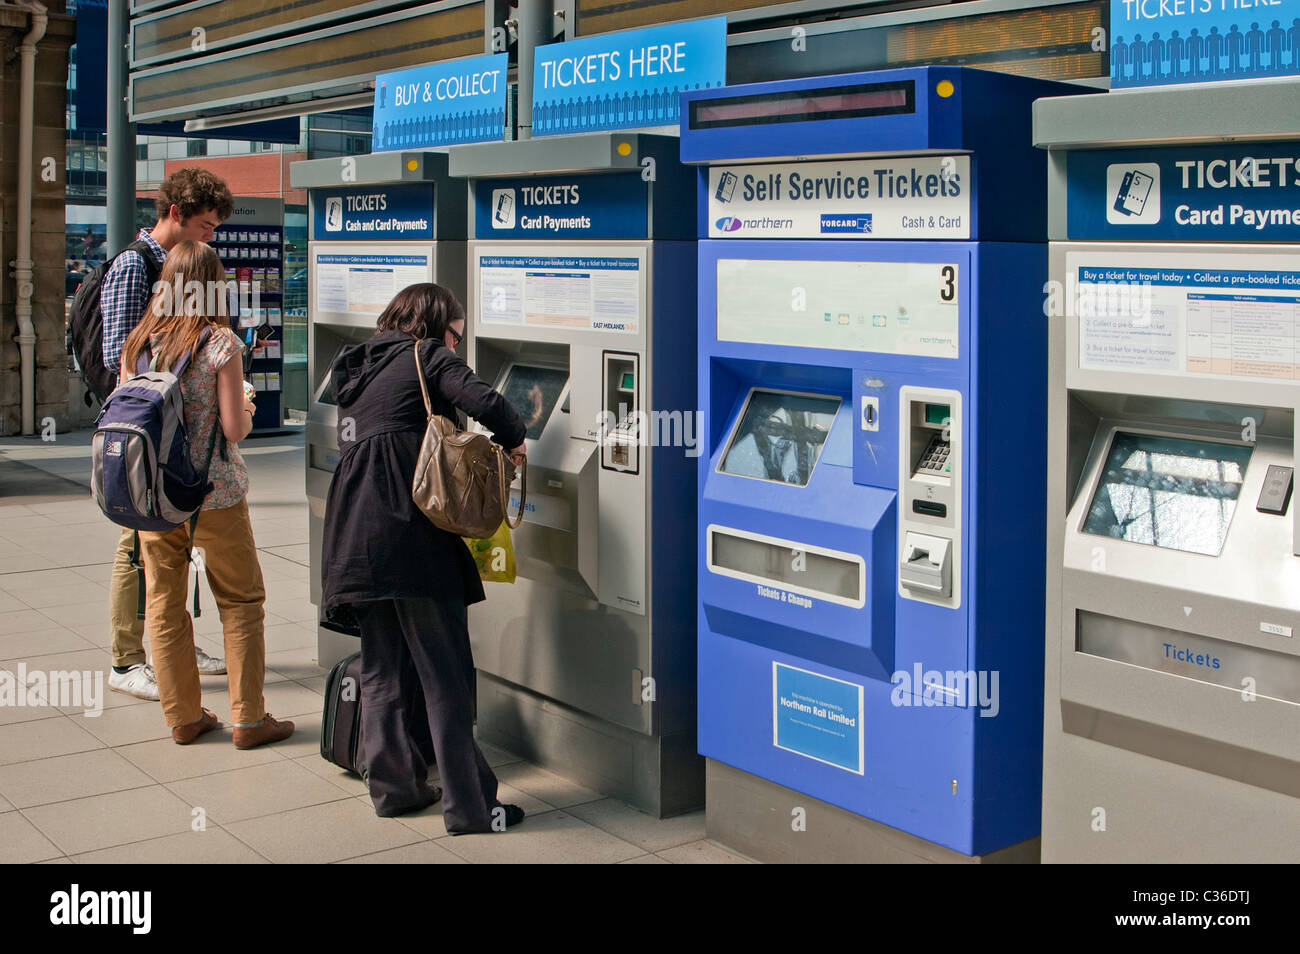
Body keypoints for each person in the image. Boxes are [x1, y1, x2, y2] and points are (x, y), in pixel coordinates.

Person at [320, 283, 528, 831]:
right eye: (456, 335)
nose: (456, 346)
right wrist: (516, 437)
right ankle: (471, 807)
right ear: (438, 325)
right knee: (445, 673)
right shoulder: (426, 352)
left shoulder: (358, 366)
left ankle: (396, 788)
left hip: (352, 533)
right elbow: (487, 403)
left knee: (382, 670)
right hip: (408, 532)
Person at [120, 241, 294, 749]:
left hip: (153, 496)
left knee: (163, 604)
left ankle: (183, 718)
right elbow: (235, 430)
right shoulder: (220, 344)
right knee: (240, 601)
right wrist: (245, 402)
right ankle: (249, 720)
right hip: (214, 494)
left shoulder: (140, 342)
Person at [103, 169, 235, 701]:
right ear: (176, 214)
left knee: (164, 546)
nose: (209, 238)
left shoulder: (170, 268)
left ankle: (170, 646)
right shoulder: (136, 268)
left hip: (172, 436)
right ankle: (127, 658)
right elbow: (120, 355)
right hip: (144, 437)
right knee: (134, 545)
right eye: (204, 226)